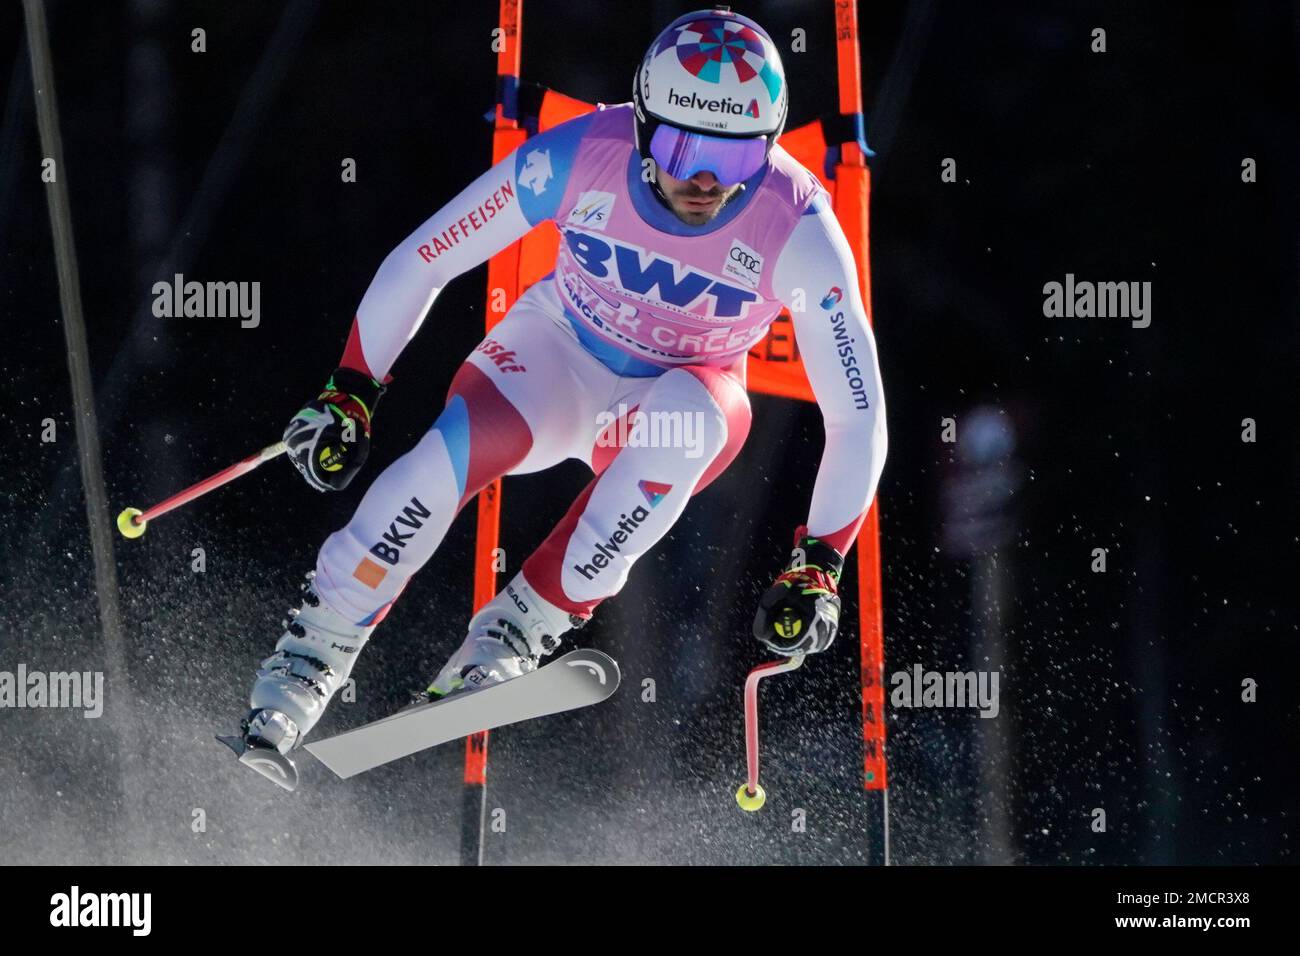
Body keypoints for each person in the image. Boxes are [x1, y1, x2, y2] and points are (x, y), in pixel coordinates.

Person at [229, 7, 887, 783]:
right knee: (424, 478)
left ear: (769, 146)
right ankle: (304, 668)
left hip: (671, 403)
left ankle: (514, 635)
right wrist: (351, 390)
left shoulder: (800, 225)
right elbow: (423, 260)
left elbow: (857, 416)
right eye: (681, 147)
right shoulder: (580, 156)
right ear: (643, 126)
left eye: (737, 158)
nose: (706, 180)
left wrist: (820, 563)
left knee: (690, 422)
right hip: (555, 359)